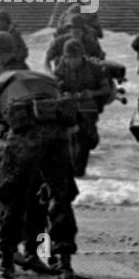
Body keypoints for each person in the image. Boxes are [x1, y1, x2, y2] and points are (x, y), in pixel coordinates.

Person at [0, 32, 79, 279]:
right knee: (59, 196)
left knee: (12, 194)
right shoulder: (47, 78)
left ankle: (8, 262)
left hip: (26, 137)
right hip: (60, 136)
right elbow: (69, 126)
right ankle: (65, 264)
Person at [53, 38, 115, 177]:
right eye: (68, 57)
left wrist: (92, 93)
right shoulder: (62, 66)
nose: (71, 60)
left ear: (82, 55)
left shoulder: (95, 67)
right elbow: (55, 83)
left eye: (75, 57)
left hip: (88, 105)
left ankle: (80, 168)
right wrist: (62, 90)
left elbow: (106, 89)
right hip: (69, 103)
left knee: (86, 138)